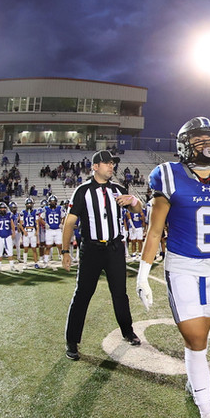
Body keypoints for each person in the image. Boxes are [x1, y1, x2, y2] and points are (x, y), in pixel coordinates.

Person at [136, 117, 210, 418]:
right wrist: (143, 275)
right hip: (182, 266)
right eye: (199, 140)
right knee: (196, 340)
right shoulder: (169, 176)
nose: (207, 145)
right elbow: (155, 230)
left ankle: (194, 380)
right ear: (184, 145)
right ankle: (207, 409)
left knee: (201, 337)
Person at [62, 150, 143, 361]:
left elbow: (137, 210)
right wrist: (65, 251)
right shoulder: (83, 191)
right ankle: (72, 340)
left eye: (112, 163)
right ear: (95, 166)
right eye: (107, 163)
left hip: (115, 248)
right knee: (82, 295)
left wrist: (133, 200)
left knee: (120, 294)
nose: (111, 166)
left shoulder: (118, 189)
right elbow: (69, 222)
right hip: (91, 250)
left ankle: (127, 331)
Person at [0, 201, 18, 272]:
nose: (3, 210)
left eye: (4, 208)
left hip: (8, 235)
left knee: (10, 251)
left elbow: (12, 224)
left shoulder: (9, 215)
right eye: (1, 208)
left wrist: (13, 232)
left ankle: (12, 266)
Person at [19, 198, 41, 269]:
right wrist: (23, 231)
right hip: (26, 230)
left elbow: (37, 223)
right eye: (28, 204)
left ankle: (36, 263)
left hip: (33, 230)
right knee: (25, 248)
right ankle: (25, 263)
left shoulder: (35, 212)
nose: (29, 205)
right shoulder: (23, 212)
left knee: (34, 248)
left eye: (30, 204)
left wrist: (37, 231)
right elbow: (20, 224)